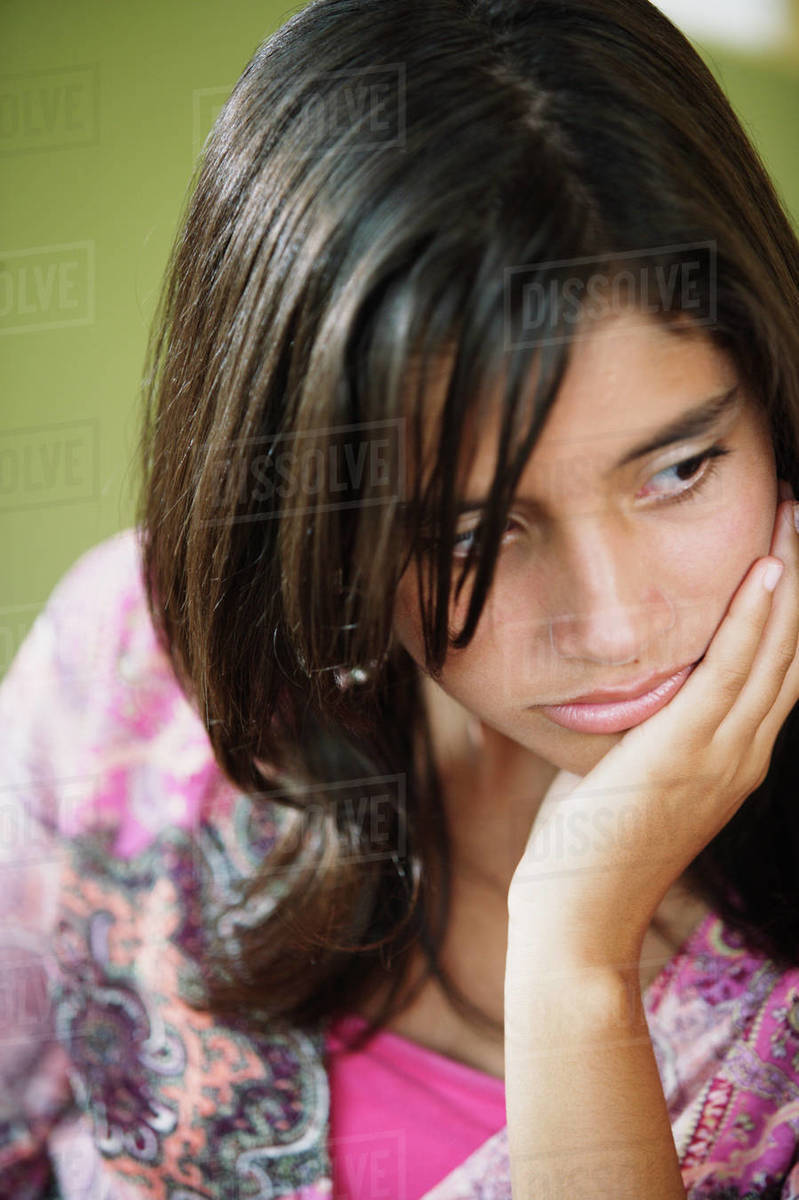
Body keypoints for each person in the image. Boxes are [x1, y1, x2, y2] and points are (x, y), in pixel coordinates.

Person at [2, 0, 799, 1195]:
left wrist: (577, 956)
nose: (616, 623)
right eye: (472, 530)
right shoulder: (129, 663)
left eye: (679, 469)